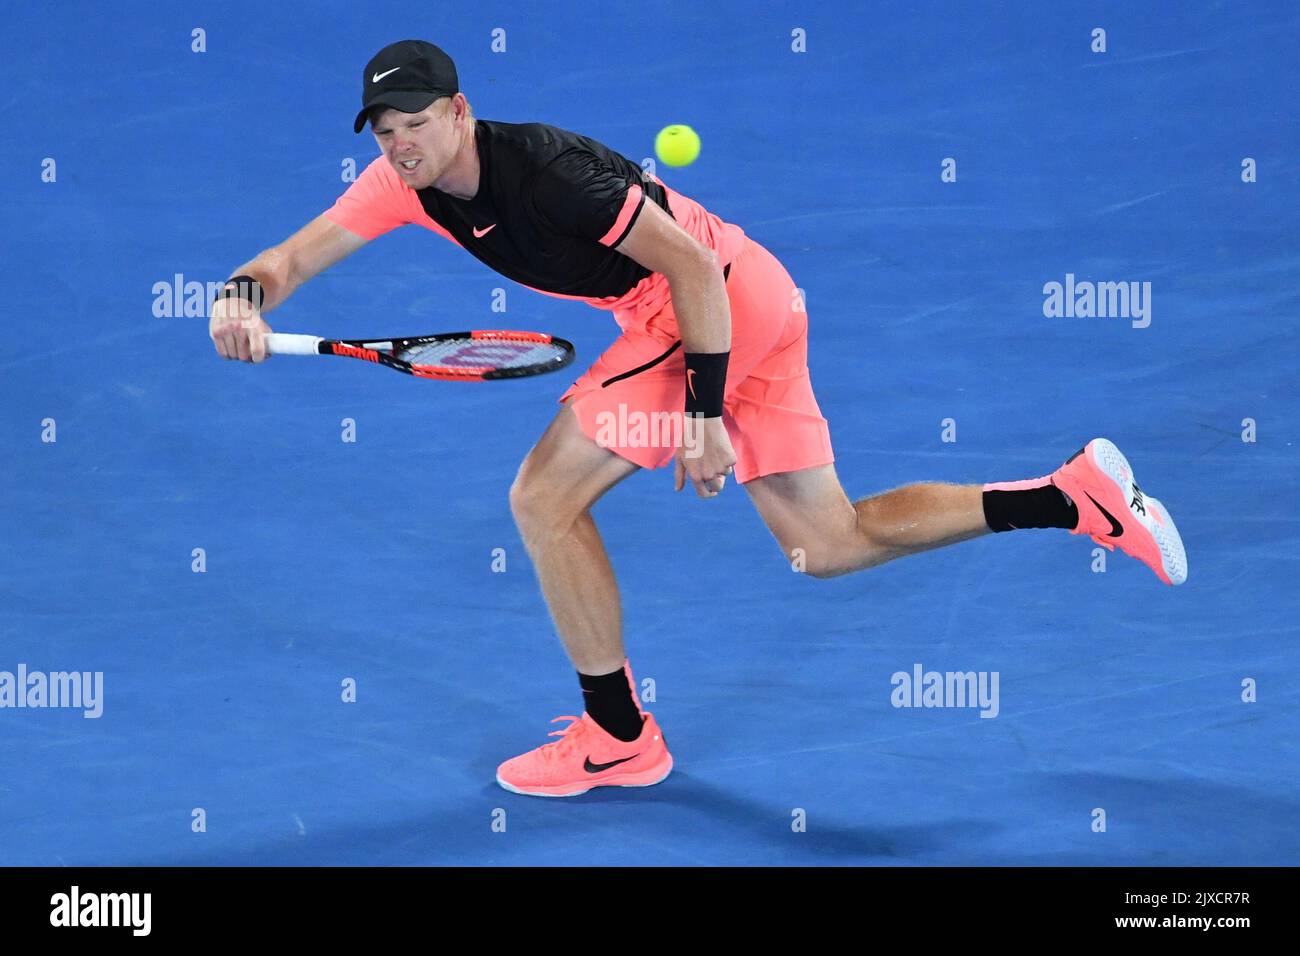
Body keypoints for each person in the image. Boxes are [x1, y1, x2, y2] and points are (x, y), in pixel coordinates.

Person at [209, 39, 1187, 798]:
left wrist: (705, 416)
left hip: (711, 306)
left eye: (414, 124)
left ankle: (618, 737)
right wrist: (242, 297)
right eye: (382, 133)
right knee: (827, 544)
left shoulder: (553, 173)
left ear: (459, 112)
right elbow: (286, 261)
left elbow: (686, 268)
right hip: (761, 294)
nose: (398, 146)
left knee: (543, 497)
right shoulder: (403, 186)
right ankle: (1069, 499)